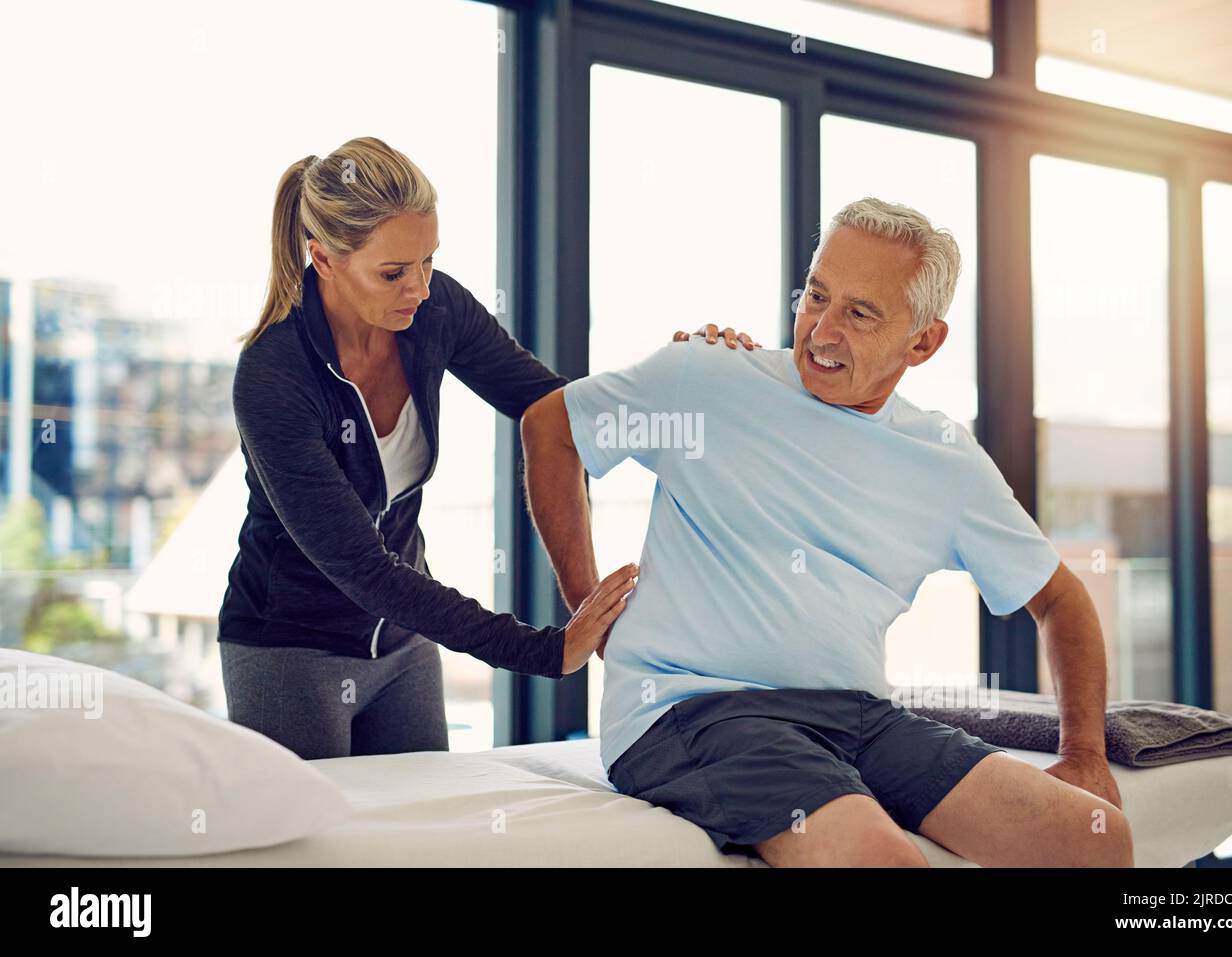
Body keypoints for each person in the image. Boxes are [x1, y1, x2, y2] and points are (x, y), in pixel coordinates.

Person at [520, 196, 1133, 867]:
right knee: (885, 862)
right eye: (816, 294)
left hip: (860, 718)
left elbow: (1062, 601)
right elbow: (551, 428)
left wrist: (1084, 754)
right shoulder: (707, 377)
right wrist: (589, 608)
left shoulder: (944, 460)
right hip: (693, 709)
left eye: (860, 312)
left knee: (1094, 837)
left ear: (923, 340)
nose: (821, 330)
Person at [218, 135, 756, 760]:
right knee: (314, 850)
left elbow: (554, 408)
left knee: (423, 844)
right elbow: (363, 569)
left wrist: (683, 379)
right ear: (324, 258)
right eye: (393, 273)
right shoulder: (273, 376)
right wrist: (544, 650)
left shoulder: (433, 308)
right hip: (288, 649)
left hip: (402, 644)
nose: (418, 289)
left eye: (427, 261)